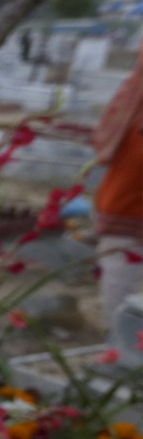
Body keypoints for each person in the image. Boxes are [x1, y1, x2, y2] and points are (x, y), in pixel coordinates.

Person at [90, 43, 143, 327]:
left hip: (124, 205)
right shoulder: (136, 96)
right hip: (126, 209)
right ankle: (124, 354)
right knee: (120, 300)